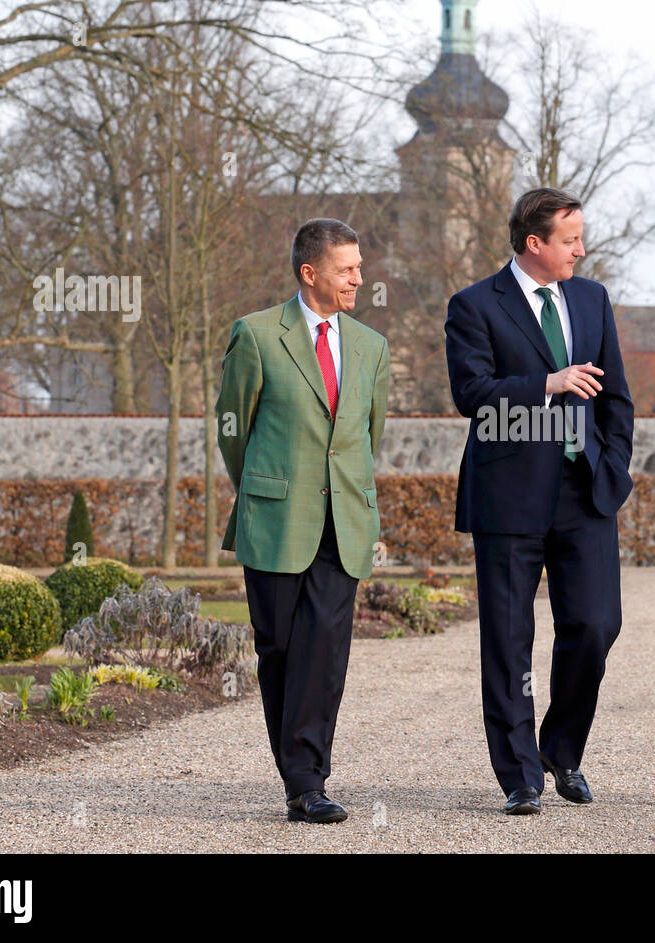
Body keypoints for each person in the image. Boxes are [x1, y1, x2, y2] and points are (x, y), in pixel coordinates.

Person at [445, 187, 634, 815]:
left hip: (585, 494)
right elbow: (471, 393)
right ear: (535, 243)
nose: (581, 249)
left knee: (596, 624)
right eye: (570, 239)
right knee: (507, 637)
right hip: (508, 497)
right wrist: (546, 384)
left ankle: (560, 747)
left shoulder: (592, 298)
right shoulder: (474, 305)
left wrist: (614, 462)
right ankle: (519, 775)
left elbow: (616, 398)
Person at [215, 218, 390, 824]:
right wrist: (265, 489)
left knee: (327, 654)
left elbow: (369, 435)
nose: (358, 280)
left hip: (345, 522)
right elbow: (232, 428)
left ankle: (307, 781)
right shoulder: (258, 335)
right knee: (281, 651)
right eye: (347, 269)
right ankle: (296, 771)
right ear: (309, 273)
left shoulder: (371, 346)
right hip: (275, 519)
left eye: (360, 268)